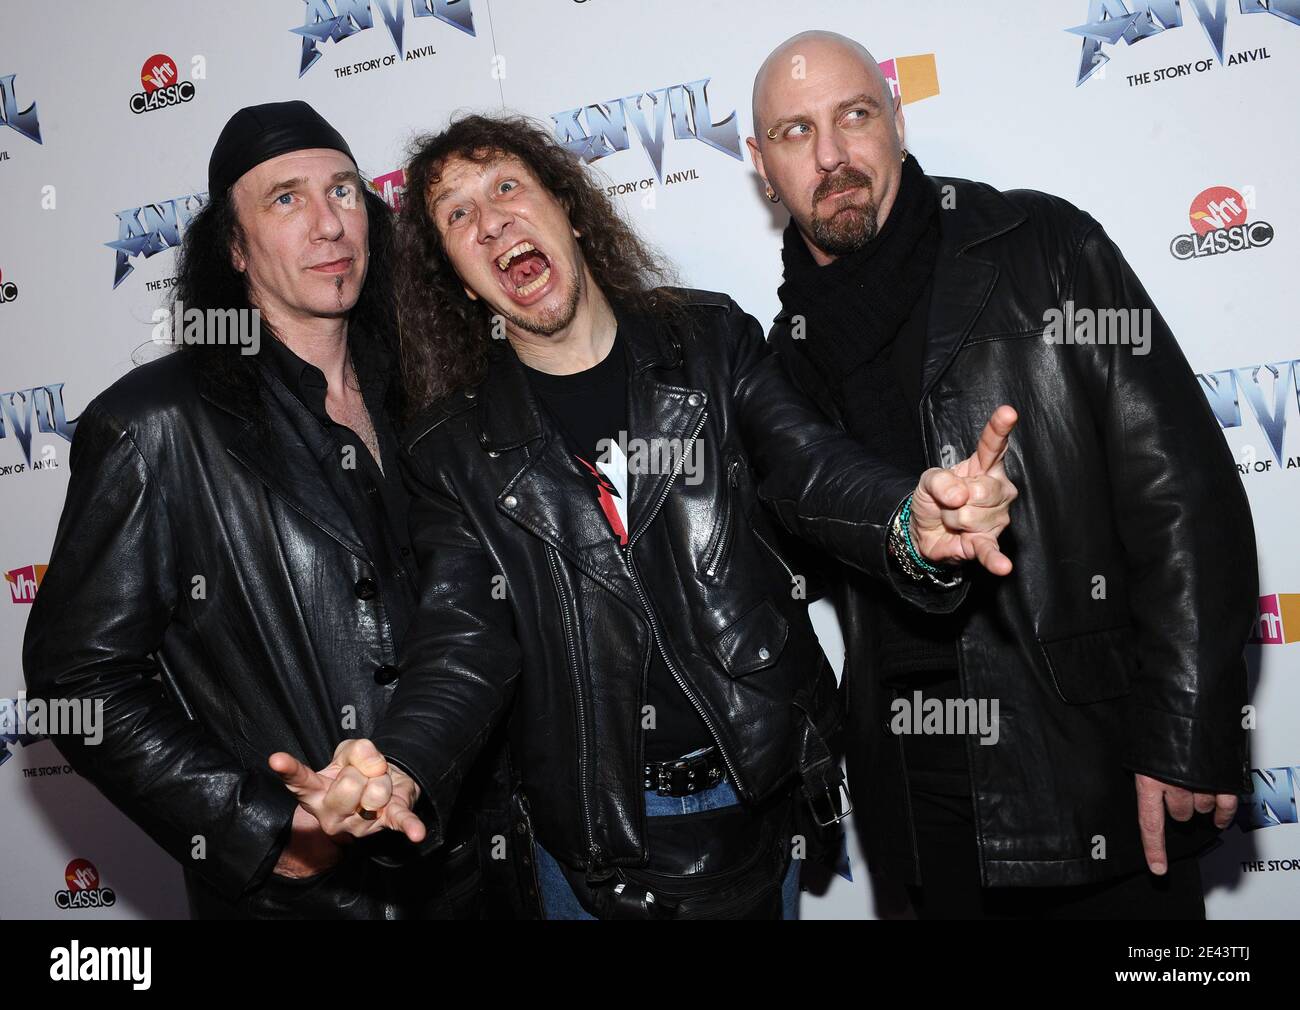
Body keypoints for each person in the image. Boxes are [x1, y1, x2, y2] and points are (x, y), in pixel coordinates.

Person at [278, 112, 1020, 920]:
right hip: (602, 845)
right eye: (457, 216)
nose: (491, 221)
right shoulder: (452, 451)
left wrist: (907, 523)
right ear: (459, 276)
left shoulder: (707, 340)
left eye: (506, 187)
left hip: (761, 807)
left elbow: (808, 468)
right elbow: (463, 638)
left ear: (567, 208)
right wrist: (404, 762)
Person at [748, 30, 1257, 918]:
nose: (832, 155)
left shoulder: (1040, 246)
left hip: (1087, 772)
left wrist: (1183, 731)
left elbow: (1183, 494)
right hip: (914, 804)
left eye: (854, 115)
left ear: (897, 122)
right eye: (795, 133)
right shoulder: (778, 359)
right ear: (761, 165)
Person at [23, 101, 514, 919]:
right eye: (286, 199)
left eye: (345, 192)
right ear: (236, 248)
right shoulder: (155, 426)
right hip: (309, 902)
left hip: (475, 877)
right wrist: (260, 828)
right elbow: (78, 678)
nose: (329, 225)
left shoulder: (428, 390)